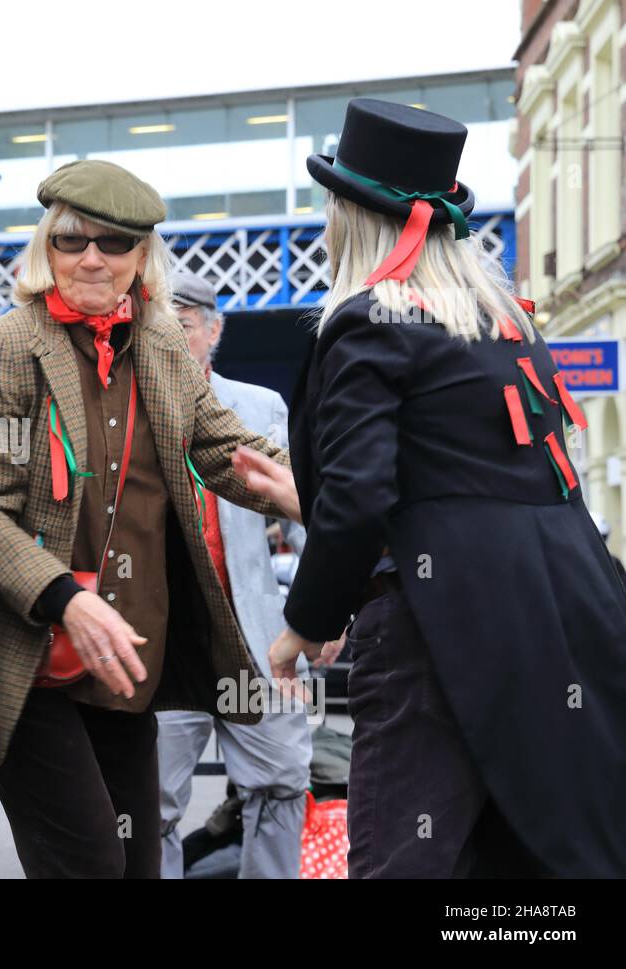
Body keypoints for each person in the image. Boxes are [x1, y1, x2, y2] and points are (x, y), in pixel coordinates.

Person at [239, 98, 626, 877]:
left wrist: (303, 625)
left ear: (350, 215)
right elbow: (478, 483)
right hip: (576, 611)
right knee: (533, 856)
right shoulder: (509, 323)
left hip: (436, 626)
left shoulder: (370, 320)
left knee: (404, 859)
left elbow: (358, 500)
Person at [0, 159, 299, 879]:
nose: (91, 257)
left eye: (114, 242)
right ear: (46, 249)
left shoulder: (162, 341)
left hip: (129, 661)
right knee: (90, 866)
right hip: (32, 657)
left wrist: (314, 494)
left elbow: (222, 447)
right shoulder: (5, 345)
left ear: (142, 257)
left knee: (138, 866)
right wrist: (66, 599)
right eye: (72, 239)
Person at [156, 270, 313, 879]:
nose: (172, 337)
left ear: (215, 331)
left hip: (256, 638)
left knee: (279, 783)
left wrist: (322, 610)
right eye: (160, 326)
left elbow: (304, 517)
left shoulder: (259, 407)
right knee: (152, 804)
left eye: (185, 325)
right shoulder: (131, 408)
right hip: (166, 641)